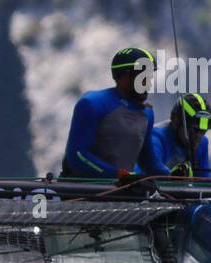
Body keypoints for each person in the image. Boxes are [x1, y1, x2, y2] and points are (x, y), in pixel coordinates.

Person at [61, 46, 159, 180]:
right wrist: (116, 175)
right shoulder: (92, 103)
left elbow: (150, 163)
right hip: (82, 191)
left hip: (121, 192)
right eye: (143, 77)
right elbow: (77, 156)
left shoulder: (147, 113)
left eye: (149, 77)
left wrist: (174, 176)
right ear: (124, 76)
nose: (148, 84)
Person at [148, 92, 211, 178]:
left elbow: (205, 182)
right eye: (194, 129)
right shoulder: (155, 138)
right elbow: (147, 173)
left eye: (203, 131)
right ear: (176, 121)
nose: (199, 136)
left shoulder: (203, 143)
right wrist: (172, 176)